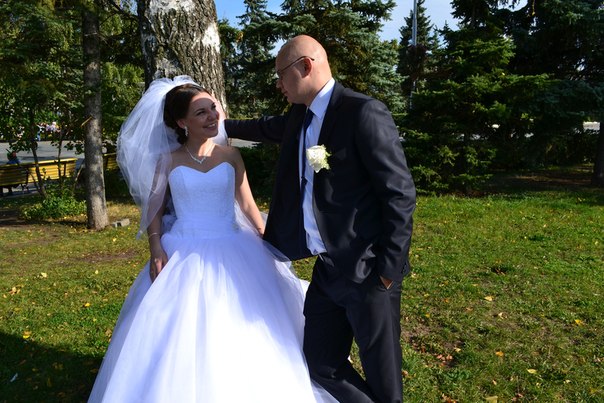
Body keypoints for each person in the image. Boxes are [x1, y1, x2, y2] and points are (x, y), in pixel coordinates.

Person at [88, 76, 336, 403]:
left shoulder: (231, 155)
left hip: (235, 245)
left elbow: (247, 204)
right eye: (201, 112)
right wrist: (156, 246)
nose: (212, 117)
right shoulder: (169, 160)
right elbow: (154, 209)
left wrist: (267, 237)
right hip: (183, 250)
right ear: (182, 123)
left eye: (213, 108)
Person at [224, 35, 416, 403]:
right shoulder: (302, 115)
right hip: (327, 270)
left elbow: (399, 194)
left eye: (281, 75)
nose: (279, 85)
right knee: (320, 362)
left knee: (383, 375)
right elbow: (265, 128)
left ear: (306, 67)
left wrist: (388, 270)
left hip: (368, 269)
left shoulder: (362, 112)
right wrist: (219, 124)